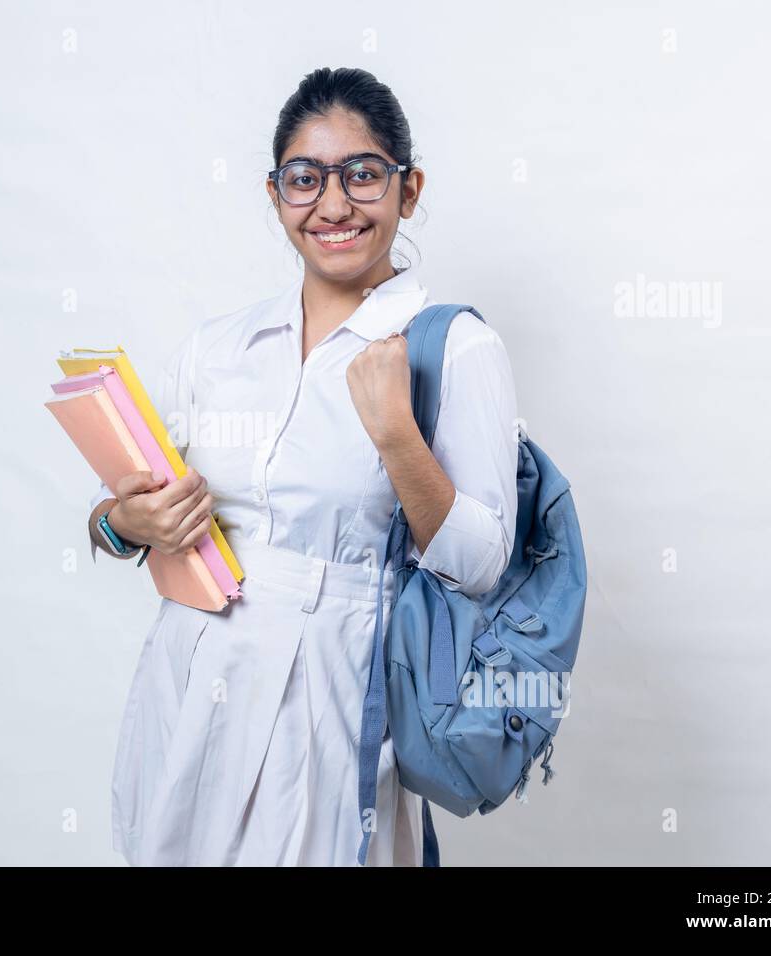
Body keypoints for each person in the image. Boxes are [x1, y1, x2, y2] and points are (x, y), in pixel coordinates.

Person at [86, 66, 520, 866]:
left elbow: (481, 566)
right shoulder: (220, 348)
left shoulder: (453, 347)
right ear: (275, 192)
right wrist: (119, 524)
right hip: (186, 677)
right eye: (304, 179)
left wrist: (397, 436)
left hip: (327, 689)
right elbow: (122, 515)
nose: (332, 205)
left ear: (408, 188)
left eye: (361, 175)